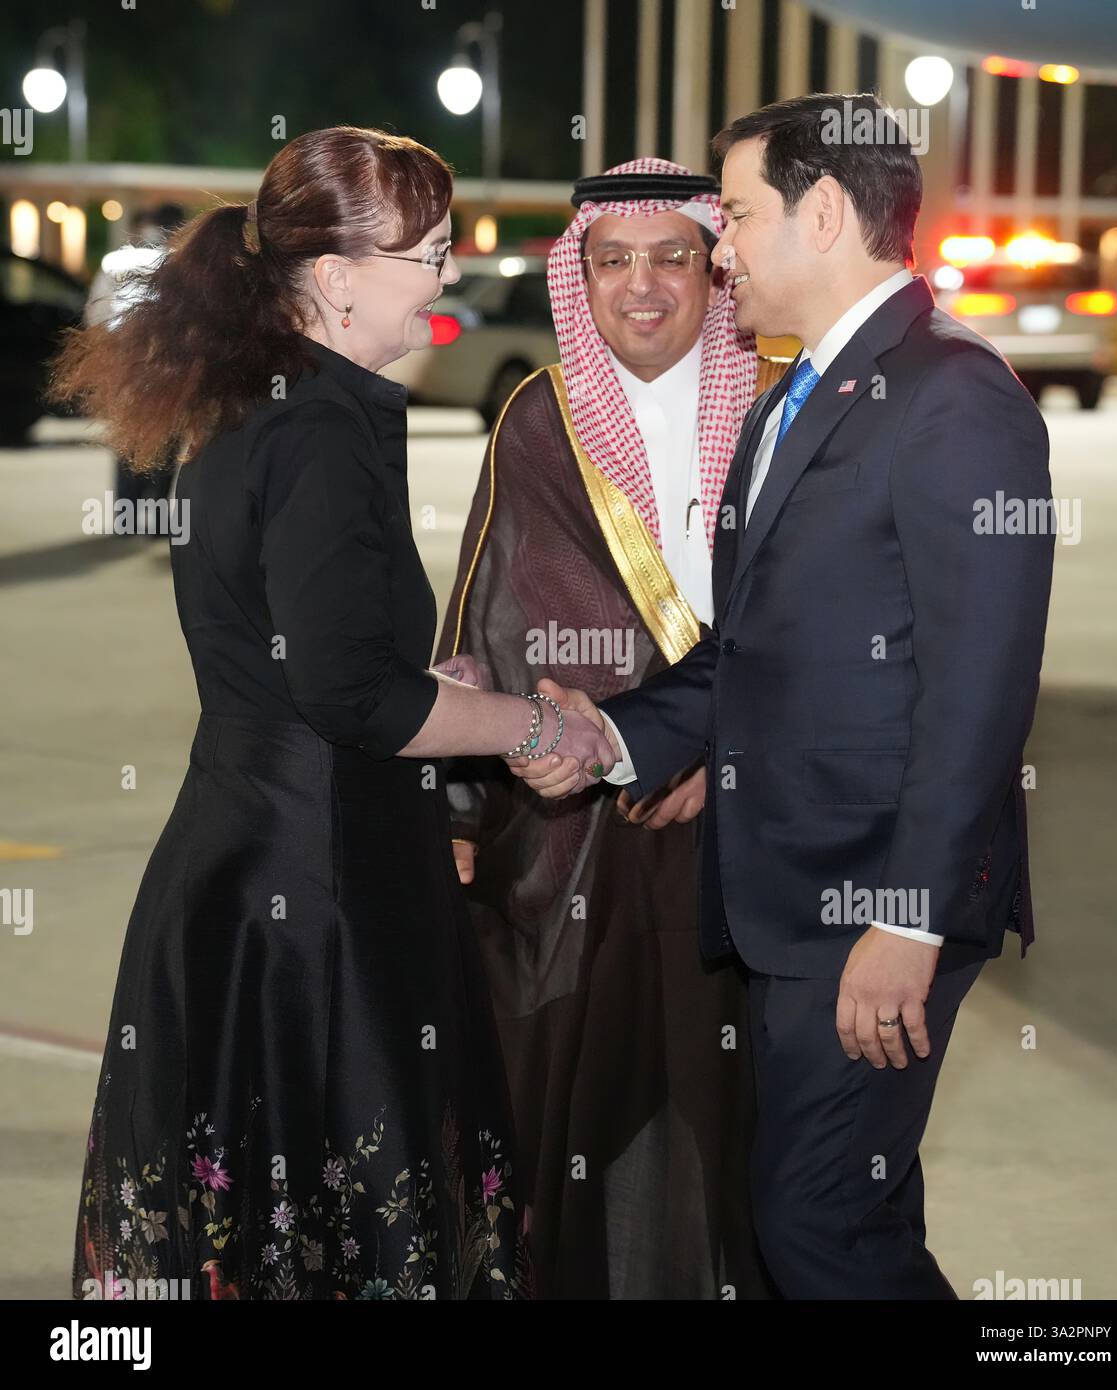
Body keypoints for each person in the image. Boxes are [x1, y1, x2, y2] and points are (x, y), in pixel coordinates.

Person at [51, 124, 617, 1301]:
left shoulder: (264, 408)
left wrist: (434, 690)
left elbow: (314, 660)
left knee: (254, 1231)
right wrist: (531, 727)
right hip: (319, 891)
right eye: (430, 251)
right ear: (335, 276)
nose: (449, 273)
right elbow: (352, 696)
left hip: (260, 850)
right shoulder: (321, 429)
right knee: (342, 1228)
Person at [512, 94, 1055, 1299]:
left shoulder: (951, 395)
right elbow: (747, 653)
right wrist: (611, 734)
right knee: (829, 1218)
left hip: (871, 901)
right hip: (795, 900)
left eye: (738, 216)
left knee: (819, 1231)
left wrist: (906, 921)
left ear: (821, 213)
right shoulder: (795, 395)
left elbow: (980, 692)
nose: (719, 252)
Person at [436, 159, 781, 1299]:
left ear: (711, 268)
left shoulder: (782, 401)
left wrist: (712, 751)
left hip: (747, 821)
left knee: (733, 1117)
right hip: (578, 827)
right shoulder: (542, 414)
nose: (642, 287)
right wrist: (460, 808)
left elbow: (821, 631)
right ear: (577, 271)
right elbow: (487, 611)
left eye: (671, 256)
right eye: (612, 260)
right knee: (581, 1103)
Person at [84, 203, 186, 523]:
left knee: (128, 434)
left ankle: (126, 516)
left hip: (125, 359)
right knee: (166, 439)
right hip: (168, 363)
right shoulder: (180, 261)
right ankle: (155, 519)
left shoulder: (117, 260)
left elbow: (96, 311)